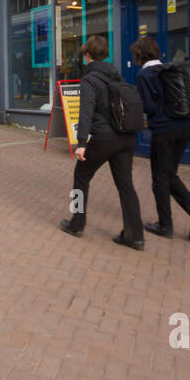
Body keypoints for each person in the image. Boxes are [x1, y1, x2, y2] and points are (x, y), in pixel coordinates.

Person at [60, 35, 145, 251]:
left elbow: (86, 111)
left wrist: (81, 143)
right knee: (126, 185)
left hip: (104, 138)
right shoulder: (116, 76)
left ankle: (76, 223)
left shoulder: (89, 80)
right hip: (126, 138)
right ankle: (135, 236)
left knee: (81, 176)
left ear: (87, 55)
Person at [131, 36, 190, 241]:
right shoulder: (169, 70)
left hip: (164, 131)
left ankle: (168, 224)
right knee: (169, 175)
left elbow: (149, 106)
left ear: (140, 54)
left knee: (160, 178)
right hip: (184, 127)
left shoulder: (144, 75)